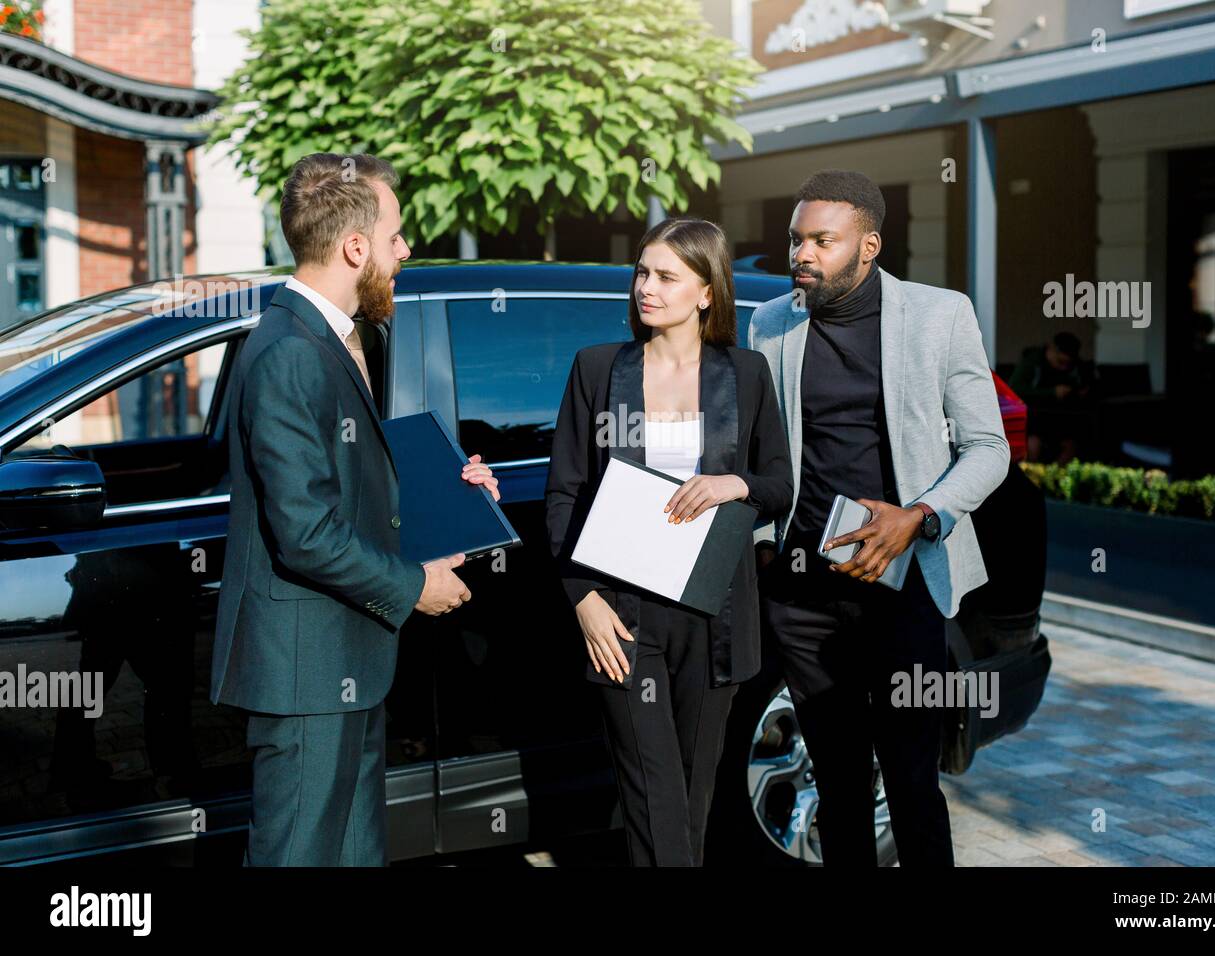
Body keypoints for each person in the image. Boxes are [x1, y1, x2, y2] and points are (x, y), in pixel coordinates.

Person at [211, 152, 499, 866]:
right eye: (397, 235)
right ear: (356, 246)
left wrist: (447, 492)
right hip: (309, 673)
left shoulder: (335, 337)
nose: (406, 251)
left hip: (345, 663)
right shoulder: (291, 352)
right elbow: (305, 533)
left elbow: (348, 479)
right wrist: (415, 587)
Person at [748, 169, 1009, 866]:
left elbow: (989, 449)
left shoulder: (939, 314)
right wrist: (765, 549)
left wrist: (920, 515)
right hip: (804, 596)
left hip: (906, 589)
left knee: (912, 782)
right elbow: (758, 446)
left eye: (821, 241)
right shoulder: (770, 323)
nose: (802, 253)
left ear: (869, 246)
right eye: (797, 238)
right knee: (836, 787)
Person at [546, 218, 792, 866]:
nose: (645, 288)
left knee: (693, 794)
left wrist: (730, 484)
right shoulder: (597, 370)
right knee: (652, 795)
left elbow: (780, 485)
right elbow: (565, 494)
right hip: (623, 616)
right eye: (641, 272)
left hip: (715, 612)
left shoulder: (746, 374)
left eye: (665, 276)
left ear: (707, 292)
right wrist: (583, 600)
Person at [1009, 331, 1094, 462]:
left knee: (1071, 447)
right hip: (1033, 420)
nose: (1063, 367)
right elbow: (1014, 390)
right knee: (1033, 446)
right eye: (1060, 362)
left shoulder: (1076, 368)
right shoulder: (1032, 362)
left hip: (1063, 420)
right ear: (1051, 350)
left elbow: (1087, 385)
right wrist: (1052, 392)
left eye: (1068, 364)